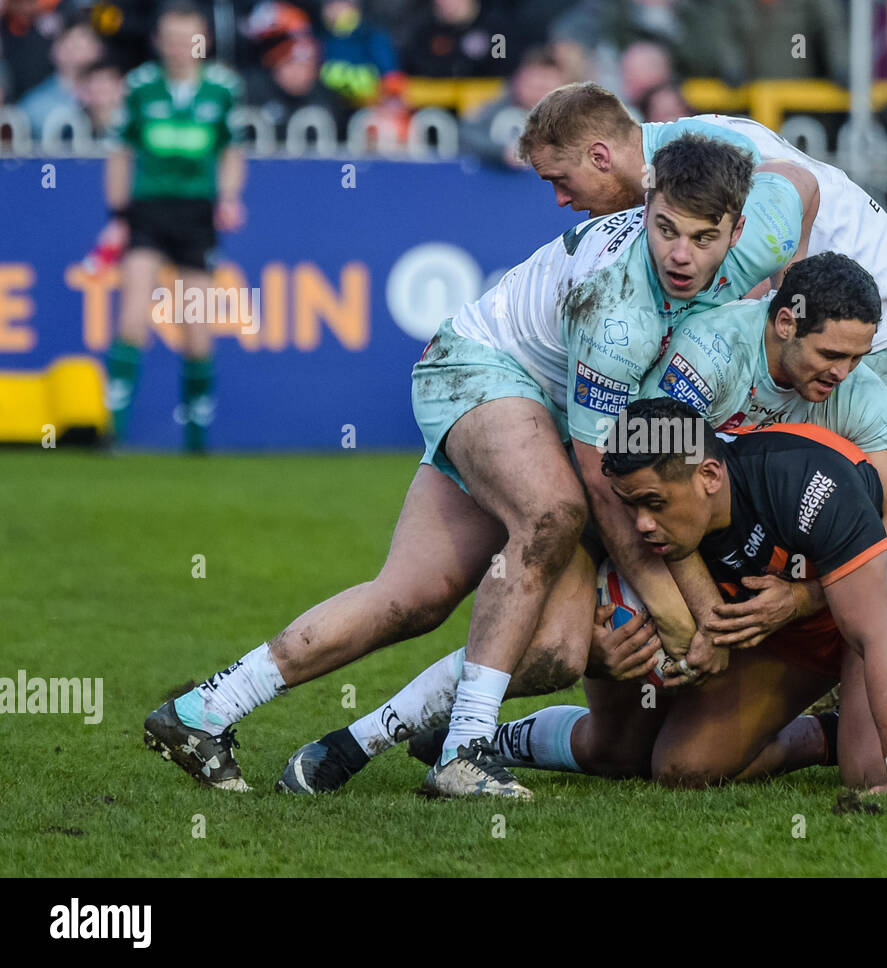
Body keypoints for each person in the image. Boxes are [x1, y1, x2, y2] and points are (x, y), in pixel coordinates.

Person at [146, 135, 812, 798]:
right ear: (646, 207)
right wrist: (682, 617)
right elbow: (606, 485)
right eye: (664, 228)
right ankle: (463, 752)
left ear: (741, 228)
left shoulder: (769, 229)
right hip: (479, 369)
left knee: (465, 618)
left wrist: (788, 283)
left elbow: (798, 182)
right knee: (552, 512)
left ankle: (203, 711)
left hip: (539, 408)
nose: (679, 253)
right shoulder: (619, 314)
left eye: (702, 237)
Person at [517, 81, 887, 717]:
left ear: (601, 155)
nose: (561, 199)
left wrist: (772, 298)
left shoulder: (708, 152)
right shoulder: (682, 176)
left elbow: (802, 189)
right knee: (780, 518)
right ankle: (845, 696)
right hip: (811, 350)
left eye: (561, 178)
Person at [465, 398, 887, 794]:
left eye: (651, 505)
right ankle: (839, 735)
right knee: (684, 766)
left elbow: (878, 639)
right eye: (630, 506)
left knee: (875, 770)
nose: (639, 526)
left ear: (706, 476)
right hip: (800, 617)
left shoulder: (802, 483)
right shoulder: (676, 510)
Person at [101, 0, 246, 453]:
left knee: (196, 327)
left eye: (189, 41)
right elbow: (121, 153)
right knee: (132, 317)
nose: (181, 50)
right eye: (172, 41)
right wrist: (119, 215)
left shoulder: (222, 90)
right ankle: (114, 433)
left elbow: (231, 151)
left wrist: (227, 196)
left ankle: (196, 440)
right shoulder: (142, 88)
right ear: (158, 44)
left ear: (202, 44)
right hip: (148, 210)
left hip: (196, 214)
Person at [17, 18, 102, 139]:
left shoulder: (109, 91)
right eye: (72, 42)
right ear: (56, 49)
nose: (78, 47)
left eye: (87, 39)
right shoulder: (36, 103)